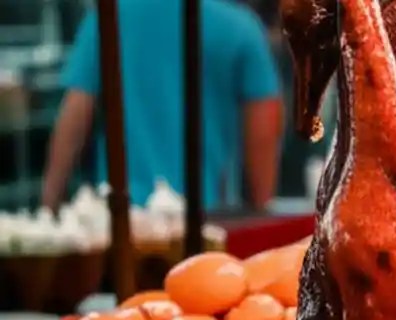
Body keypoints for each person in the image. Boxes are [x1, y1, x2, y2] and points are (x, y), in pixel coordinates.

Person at [42, 0, 284, 211]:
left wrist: (49, 206)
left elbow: (74, 116)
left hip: (122, 220)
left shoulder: (108, 18)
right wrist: (261, 207)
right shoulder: (239, 29)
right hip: (206, 220)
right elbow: (263, 130)